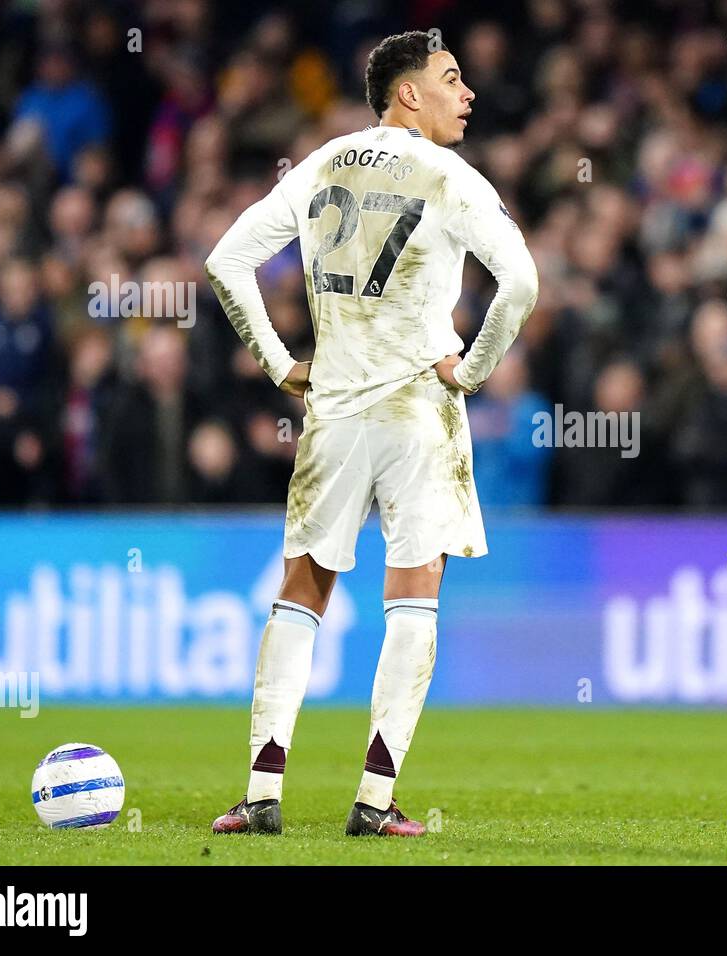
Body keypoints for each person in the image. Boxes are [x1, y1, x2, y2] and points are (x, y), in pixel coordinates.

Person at [203, 31, 538, 836]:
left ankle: (261, 795)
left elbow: (223, 261)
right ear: (407, 94)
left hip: (334, 411)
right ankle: (375, 801)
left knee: (302, 591)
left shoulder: (320, 164)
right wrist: (474, 367)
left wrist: (282, 363)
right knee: (413, 598)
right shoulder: (449, 176)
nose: (469, 95)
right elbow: (520, 281)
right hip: (418, 409)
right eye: (452, 80)